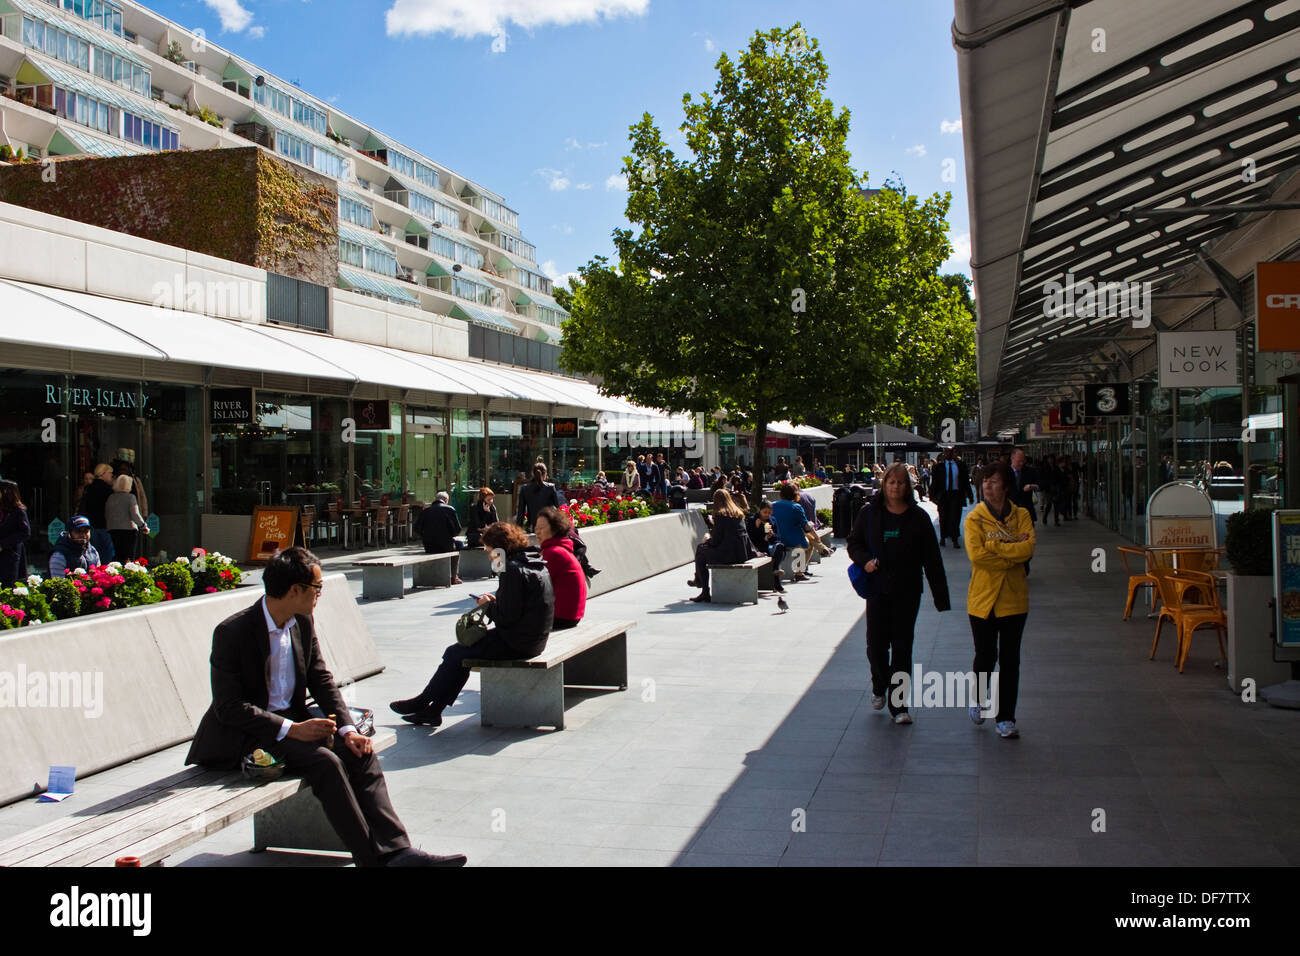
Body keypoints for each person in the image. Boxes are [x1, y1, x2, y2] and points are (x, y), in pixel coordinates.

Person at [185, 547, 465, 866]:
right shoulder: (232, 632)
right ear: (295, 590)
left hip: (292, 723)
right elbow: (229, 708)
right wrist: (292, 729)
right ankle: (372, 861)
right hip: (246, 734)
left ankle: (399, 851)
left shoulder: (301, 621)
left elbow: (320, 677)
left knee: (361, 751)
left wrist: (348, 730)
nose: (320, 594)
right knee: (324, 763)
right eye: (318, 588)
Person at [392, 522, 553, 726]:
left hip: (518, 641)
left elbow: (507, 617)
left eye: (488, 550)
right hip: (533, 637)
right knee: (460, 654)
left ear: (499, 548)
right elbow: (518, 605)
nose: (488, 554)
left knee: (455, 653)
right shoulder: (533, 562)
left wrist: (488, 605)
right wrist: (496, 601)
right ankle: (433, 710)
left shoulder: (512, 569)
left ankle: (424, 701)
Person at [847, 463, 950, 724]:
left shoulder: (918, 517)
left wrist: (941, 596)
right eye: (891, 482)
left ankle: (899, 704)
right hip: (878, 589)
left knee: (903, 647)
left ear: (908, 486)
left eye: (901, 482)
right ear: (884, 484)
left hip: (907, 590)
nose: (895, 486)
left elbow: (932, 558)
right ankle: (879, 683)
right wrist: (865, 561)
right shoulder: (869, 513)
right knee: (876, 645)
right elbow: (854, 544)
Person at [964, 460, 1035, 739]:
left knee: (1010, 660)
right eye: (984, 482)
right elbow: (977, 556)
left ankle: (1006, 717)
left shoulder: (1022, 515)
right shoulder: (974, 519)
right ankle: (979, 698)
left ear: (1006, 485)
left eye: (993, 481)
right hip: (982, 600)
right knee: (985, 656)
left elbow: (1028, 549)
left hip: (1014, 600)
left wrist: (994, 546)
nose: (987, 486)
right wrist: (1009, 551)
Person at [687, 489, 755, 602]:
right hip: (742, 554)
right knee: (702, 550)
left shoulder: (720, 515)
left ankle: (703, 589)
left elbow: (716, 541)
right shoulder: (738, 513)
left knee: (700, 550)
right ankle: (698, 580)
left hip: (728, 555)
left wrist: (707, 539)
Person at [535, 506, 586, 629]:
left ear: (555, 529)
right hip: (570, 616)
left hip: (561, 616)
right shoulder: (560, 549)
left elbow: (536, 586)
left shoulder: (553, 552)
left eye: (542, 528)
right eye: (536, 528)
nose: (537, 532)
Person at [930, 447, 973, 549]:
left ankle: (955, 539)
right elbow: (934, 482)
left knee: (955, 517)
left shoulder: (960, 466)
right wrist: (932, 496)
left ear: (953, 453)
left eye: (949, 452)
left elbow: (966, 481)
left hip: (956, 494)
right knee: (943, 517)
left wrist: (970, 495)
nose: (947, 454)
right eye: (945, 452)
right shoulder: (938, 467)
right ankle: (943, 537)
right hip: (943, 494)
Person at [771, 482, 814, 578]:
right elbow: (806, 527)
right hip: (793, 540)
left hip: (776, 539)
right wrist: (811, 525)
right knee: (810, 544)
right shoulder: (796, 507)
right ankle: (799, 572)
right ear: (795, 494)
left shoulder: (772, 505)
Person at [745, 500, 786, 593]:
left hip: (771, 545)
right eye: (765, 512)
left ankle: (776, 569)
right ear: (760, 510)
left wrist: (772, 535)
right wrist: (756, 527)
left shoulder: (773, 520)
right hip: (759, 547)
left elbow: (778, 537)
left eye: (769, 513)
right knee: (775, 553)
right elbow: (750, 537)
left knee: (780, 546)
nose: (767, 515)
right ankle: (777, 582)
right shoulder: (753, 520)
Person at [106, 475, 149, 563]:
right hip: (128, 530)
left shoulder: (111, 497)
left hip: (113, 529)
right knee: (128, 556)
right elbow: (135, 514)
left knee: (117, 555)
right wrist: (143, 526)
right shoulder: (130, 497)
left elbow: (107, 513)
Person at [80, 463, 116, 563]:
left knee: (95, 551)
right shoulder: (107, 490)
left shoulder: (89, 488)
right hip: (104, 524)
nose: (111, 476)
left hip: (91, 523)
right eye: (110, 473)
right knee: (108, 552)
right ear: (103, 474)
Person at [515, 463, 563, 531]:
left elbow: (521, 512)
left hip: (533, 526)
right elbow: (558, 509)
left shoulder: (525, 489)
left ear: (532, 473)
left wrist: (517, 530)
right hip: (548, 526)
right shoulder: (550, 487)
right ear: (545, 474)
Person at [0, 480, 31, 587]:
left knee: (7, 585)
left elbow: (25, 532)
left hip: (9, 554)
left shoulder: (17, 510)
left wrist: (3, 544)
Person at [1008, 447, 1040, 524]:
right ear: (1012, 458)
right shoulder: (1005, 472)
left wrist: (1033, 486)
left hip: (1027, 511)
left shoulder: (1030, 471)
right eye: (1019, 461)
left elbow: (1041, 484)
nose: (1021, 464)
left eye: (1023, 461)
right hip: (1010, 513)